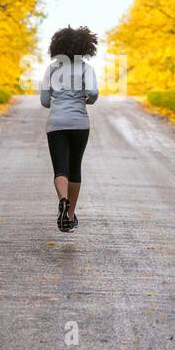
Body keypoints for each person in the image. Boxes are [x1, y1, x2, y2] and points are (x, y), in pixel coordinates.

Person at [39, 26, 99, 232]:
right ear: (86, 47)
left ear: (57, 46)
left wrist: (58, 99)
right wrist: (86, 100)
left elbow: (45, 101)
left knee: (60, 168)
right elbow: (93, 92)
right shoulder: (85, 68)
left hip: (56, 124)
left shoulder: (52, 69)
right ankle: (70, 215)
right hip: (79, 124)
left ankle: (62, 199)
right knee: (75, 167)